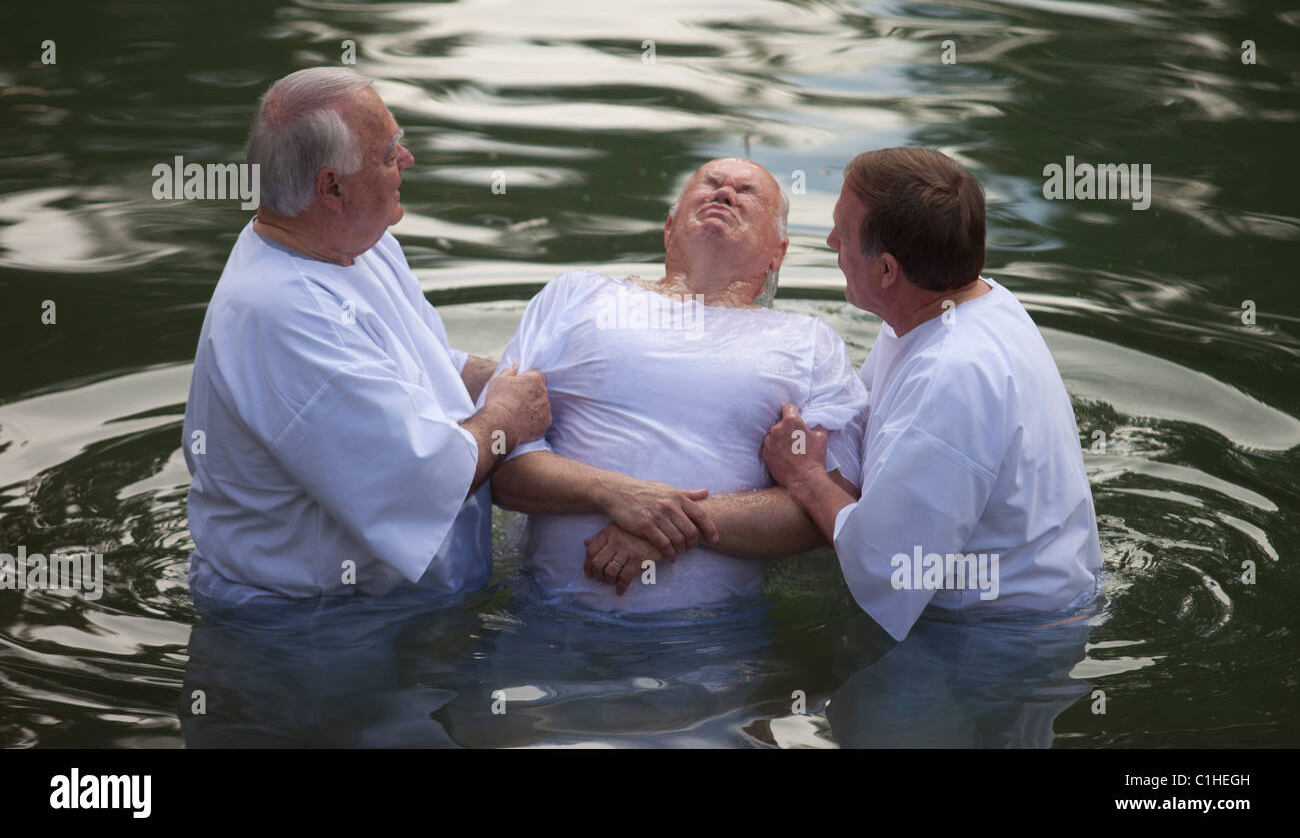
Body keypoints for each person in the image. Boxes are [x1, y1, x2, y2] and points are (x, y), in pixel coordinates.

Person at [182, 67, 550, 605]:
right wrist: (506, 417)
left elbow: (425, 364)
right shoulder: (284, 312)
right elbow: (415, 479)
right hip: (313, 629)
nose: (407, 160)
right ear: (332, 187)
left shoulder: (358, 245)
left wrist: (528, 380)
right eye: (388, 153)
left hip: (385, 609)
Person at [487, 158, 869, 612]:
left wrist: (671, 521)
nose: (725, 193)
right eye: (710, 183)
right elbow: (496, 455)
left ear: (777, 255)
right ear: (669, 228)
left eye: (749, 193)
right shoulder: (576, 297)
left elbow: (832, 510)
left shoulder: (807, 343)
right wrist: (613, 493)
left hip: (710, 645)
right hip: (537, 622)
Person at [763, 147, 1102, 641]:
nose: (832, 240)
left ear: (887, 272)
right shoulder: (961, 305)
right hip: (1021, 613)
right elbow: (867, 421)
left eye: (843, 232)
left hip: (998, 643)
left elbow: (890, 565)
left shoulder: (953, 373)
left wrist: (807, 476)